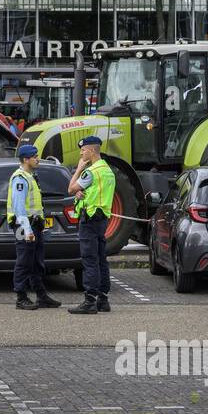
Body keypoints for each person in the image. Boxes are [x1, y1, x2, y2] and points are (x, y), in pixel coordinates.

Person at [67, 135, 116, 315]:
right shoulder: (107, 170)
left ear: (92, 150)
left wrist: (79, 168)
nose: (81, 154)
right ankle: (103, 299)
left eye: (83, 150)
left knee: (90, 260)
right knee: (101, 259)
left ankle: (89, 301)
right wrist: (82, 193)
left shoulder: (91, 172)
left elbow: (70, 188)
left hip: (89, 220)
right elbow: (97, 192)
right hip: (102, 219)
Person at [8, 144, 60, 310]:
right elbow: (19, 207)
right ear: (25, 159)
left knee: (37, 262)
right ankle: (21, 298)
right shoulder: (20, 179)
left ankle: (41, 296)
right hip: (23, 226)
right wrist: (27, 230)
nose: (38, 159)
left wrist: (39, 226)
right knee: (24, 261)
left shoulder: (30, 176)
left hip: (34, 225)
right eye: (35, 156)